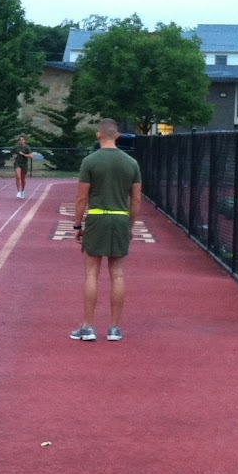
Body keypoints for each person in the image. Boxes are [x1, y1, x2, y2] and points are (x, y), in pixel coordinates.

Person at [70, 118, 143, 341]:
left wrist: (77, 224)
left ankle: (88, 327)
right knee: (118, 274)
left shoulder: (90, 161)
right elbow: (136, 200)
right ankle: (114, 328)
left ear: (98, 135)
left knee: (92, 273)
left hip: (97, 217)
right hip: (120, 218)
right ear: (117, 136)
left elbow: (81, 197)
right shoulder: (131, 163)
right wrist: (129, 225)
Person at [12, 133, 32, 198]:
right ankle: (18, 192)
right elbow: (13, 153)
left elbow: (31, 156)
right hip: (17, 163)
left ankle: (22, 191)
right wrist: (14, 156)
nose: (21, 141)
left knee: (23, 178)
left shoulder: (27, 147)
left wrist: (23, 154)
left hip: (24, 164)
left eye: (22, 140)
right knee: (18, 176)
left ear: (25, 140)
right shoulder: (16, 147)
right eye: (20, 140)